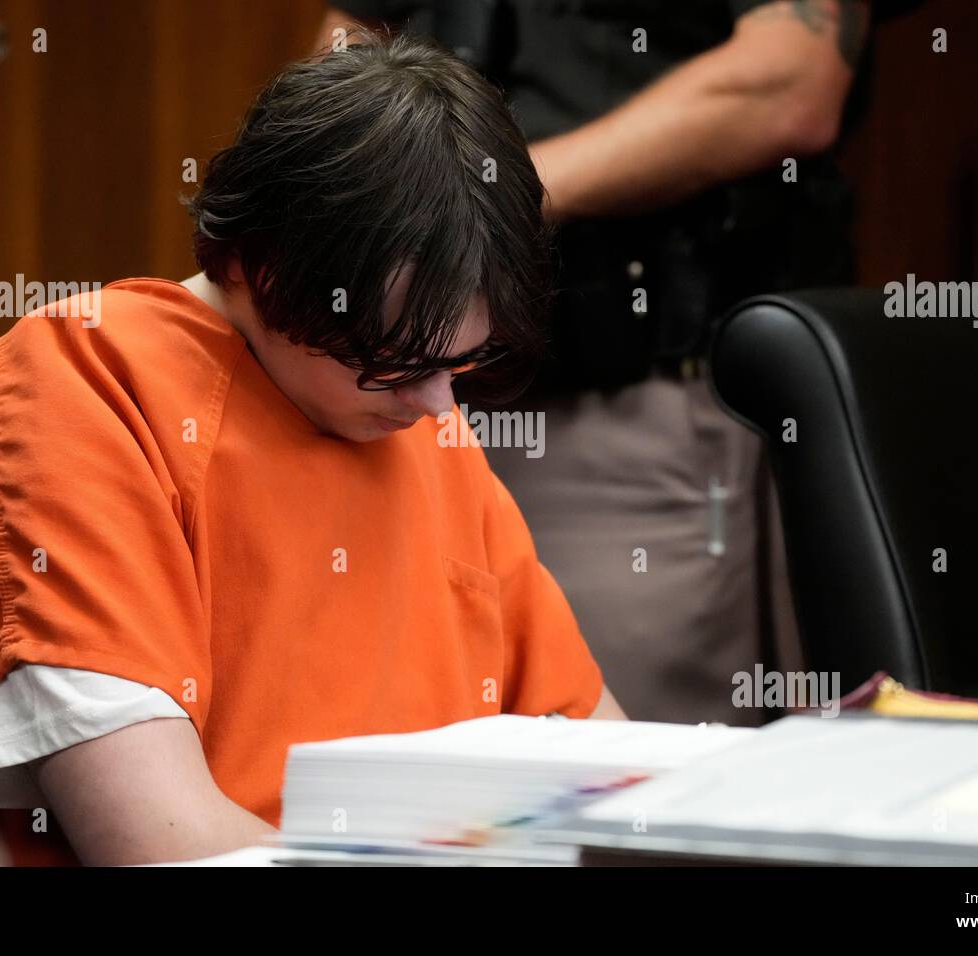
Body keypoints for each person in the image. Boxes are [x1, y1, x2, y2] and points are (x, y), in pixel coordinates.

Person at [0, 32, 624, 867]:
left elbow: (610, 767)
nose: (438, 404)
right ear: (261, 269)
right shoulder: (81, 388)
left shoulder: (425, 423)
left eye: (462, 364)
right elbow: (166, 847)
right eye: (392, 363)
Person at [320, 0, 917, 725]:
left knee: (625, 773)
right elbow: (347, 54)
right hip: (397, 391)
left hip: (636, 409)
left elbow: (790, 80)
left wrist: (480, 199)